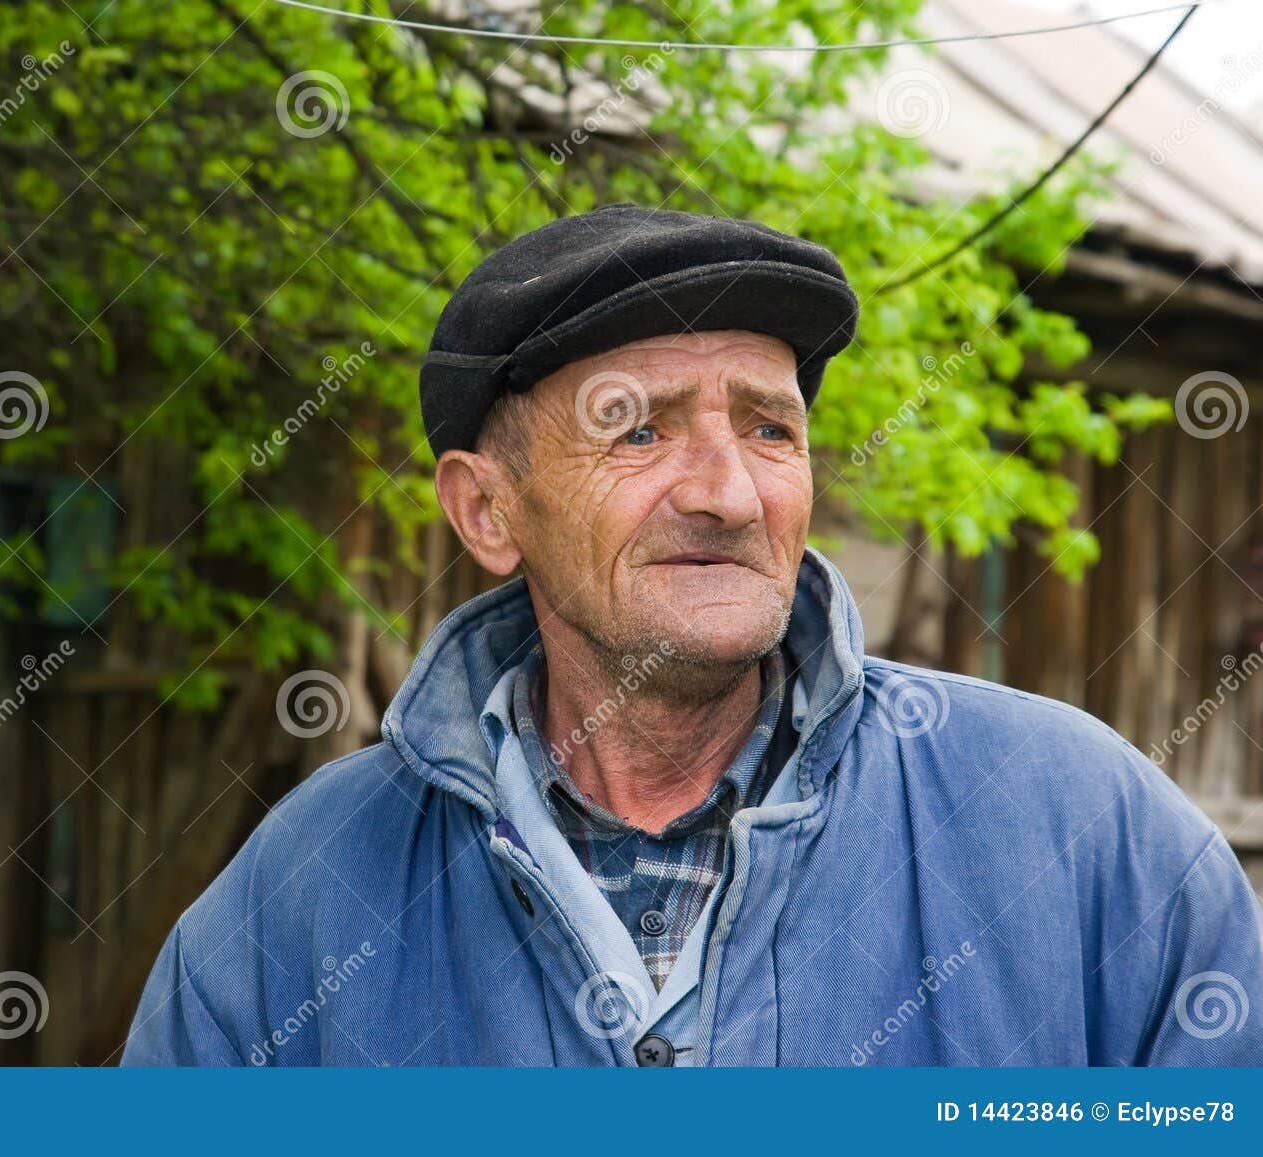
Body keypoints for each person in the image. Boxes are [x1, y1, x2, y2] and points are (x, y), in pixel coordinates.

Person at [123, 204, 1263, 1065]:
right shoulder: (307, 892)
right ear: (487, 509)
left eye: (769, 427)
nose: (725, 492)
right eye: (636, 430)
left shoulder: (1078, 829)